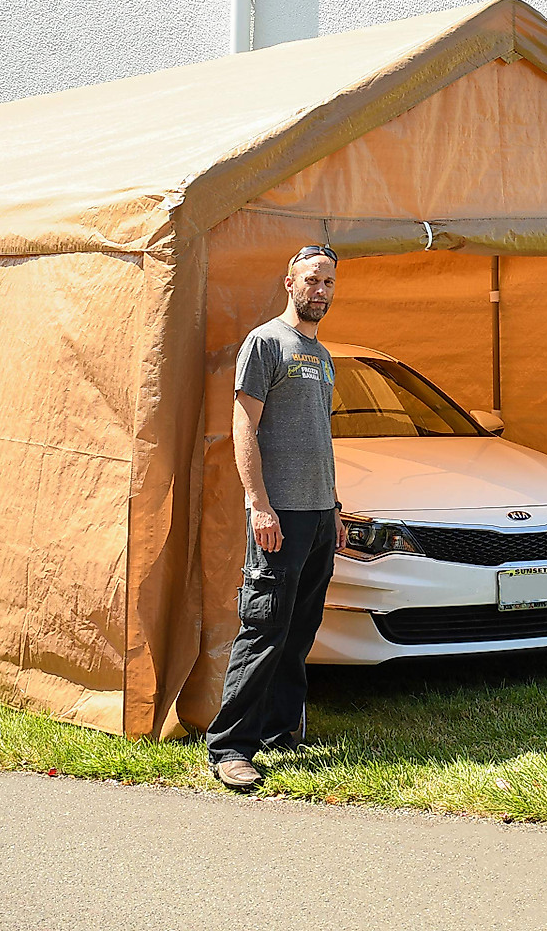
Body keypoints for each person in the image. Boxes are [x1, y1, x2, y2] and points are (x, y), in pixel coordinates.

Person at [206, 244, 348, 790]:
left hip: (316, 516)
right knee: (264, 626)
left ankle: (280, 731)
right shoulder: (266, 342)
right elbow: (243, 426)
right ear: (289, 282)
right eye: (312, 280)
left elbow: (320, 439)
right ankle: (231, 747)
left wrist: (332, 505)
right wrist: (258, 503)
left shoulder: (324, 355)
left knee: (299, 629)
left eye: (329, 282)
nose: (321, 290)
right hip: (278, 514)